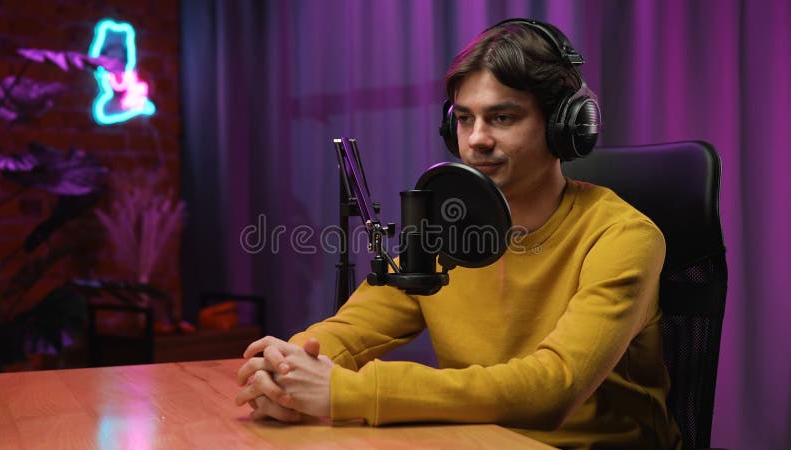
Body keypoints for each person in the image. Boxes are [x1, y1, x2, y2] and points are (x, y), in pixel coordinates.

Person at [235, 18, 682, 449]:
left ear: (566, 127)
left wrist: (347, 394)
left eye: (503, 118)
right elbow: (353, 329)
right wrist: (289, 370)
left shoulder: (624, 237)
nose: (476, 140)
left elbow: (554, 387)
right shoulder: (442, 230)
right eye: (465, 119)